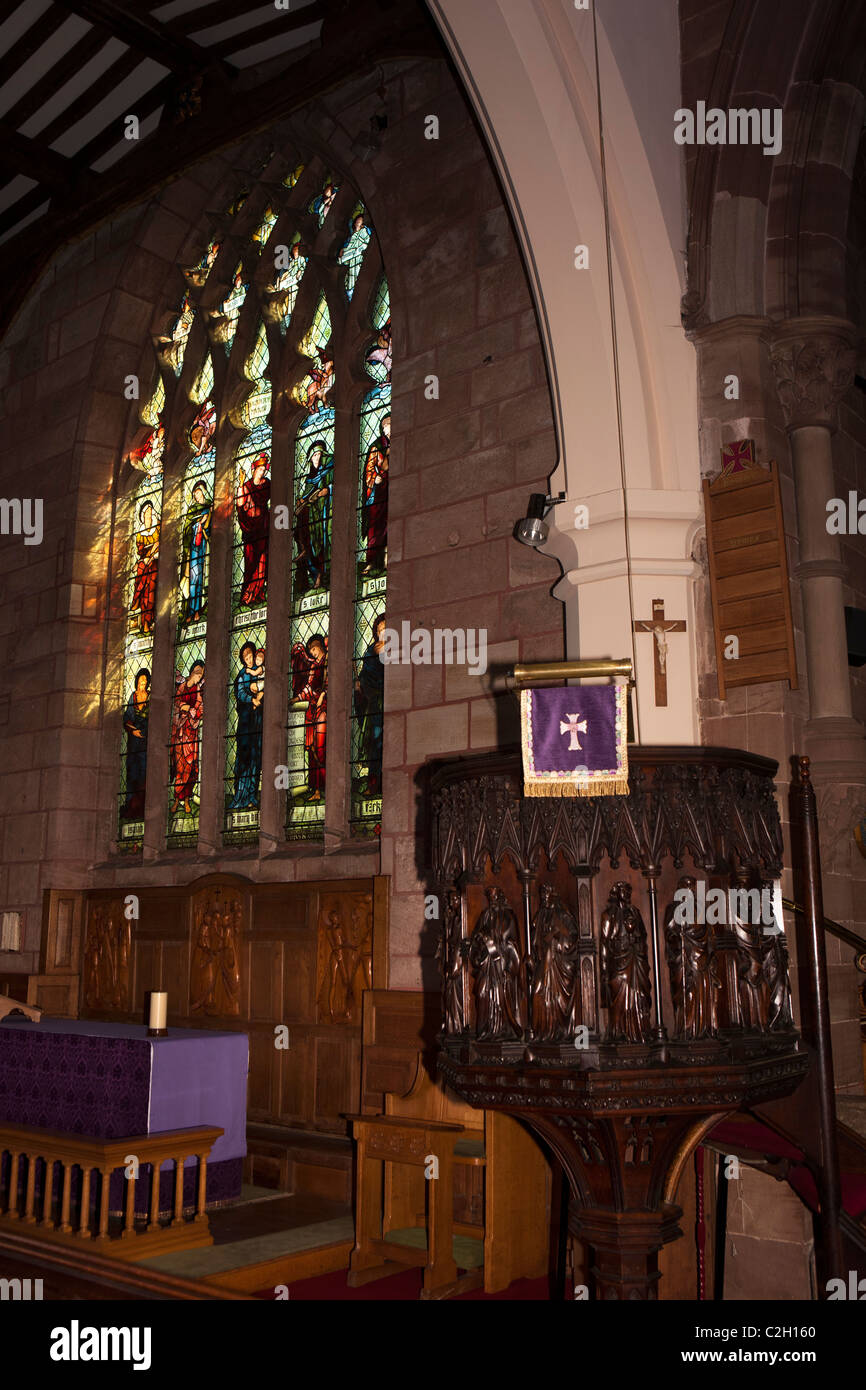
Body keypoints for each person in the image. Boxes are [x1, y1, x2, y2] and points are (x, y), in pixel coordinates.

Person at [600, 882, 652, 1043]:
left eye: (629, 891)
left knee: (639, 994)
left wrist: (636, 942)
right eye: (623, 890)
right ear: (617, 893)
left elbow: (643, 935)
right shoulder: (608, 915)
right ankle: (619, 1032)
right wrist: (603, 968)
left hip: (635, 958)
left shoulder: (635, 912)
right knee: (619, 995)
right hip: (618, 960)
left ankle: (640, 1030)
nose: (627, 893)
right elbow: (604, 942)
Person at [290, 635, 327, 801]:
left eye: (315, 648)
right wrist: (297, 699)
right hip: (312, 710)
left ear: (321, 647)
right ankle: (317, 791)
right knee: (312, 750)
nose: (313, 652)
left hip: (325, 708)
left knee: (322, 747)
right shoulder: (314, 666)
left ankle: (329, 785)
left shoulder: (328, 661)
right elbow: (308, 687)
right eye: (311, 650)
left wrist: (324, 694)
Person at [293, 439, 333, 590]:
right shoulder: (310, 478)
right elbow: (307, 494)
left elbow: (333, 487)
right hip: (310, 519)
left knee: (321, 545)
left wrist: (326, 491)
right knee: (299, 530)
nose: (316, 458)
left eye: (319, 455)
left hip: (323, 517)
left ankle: (321, 576)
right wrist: (302, 500)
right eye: (314, 455)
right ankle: (304, 548)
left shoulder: (329, 471)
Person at [228, 642, 263, 810]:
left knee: (256, 757)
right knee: (244, 757)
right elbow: (240, 693)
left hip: (258, 720)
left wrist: (260, 698)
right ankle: (240, 796)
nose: (249, 659)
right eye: (245, 657)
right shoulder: (242, 675)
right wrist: (252, 699)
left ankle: (252, 795)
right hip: (246, 721)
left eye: (250, 655)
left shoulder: (261, 671)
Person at [354, 614, 385, 796]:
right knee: (376, 744)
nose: (383, 633)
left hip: (395, 704)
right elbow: (366, 676)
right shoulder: (371, 652)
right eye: (380, 630)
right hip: (376, 706)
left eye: (386, 629)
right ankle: (374, 785)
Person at [170, 660, 204, 816]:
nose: (198, 675)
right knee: (180, 767)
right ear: (191, 671)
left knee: (191, 769)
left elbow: (200, 708)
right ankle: (177, 799)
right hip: (180, 733)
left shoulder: (198, 691)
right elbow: (176, 703)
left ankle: (187, 800)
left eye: (201, 673)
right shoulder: (182, 687)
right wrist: (187, 708)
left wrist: (195, 712)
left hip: (191, 734)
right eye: (197, 671)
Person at [236, 453, 270, 606]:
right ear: (254, 469)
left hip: (264, 526)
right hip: (250, 531)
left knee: (263, 562)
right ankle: (248, 595)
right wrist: (241, 483)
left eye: (264, 469)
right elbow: (240, 504)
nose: (261, 472)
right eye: (259, 469)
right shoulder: (247, 486)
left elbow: (279, 504)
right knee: (251, 563)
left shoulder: (268, 484)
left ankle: (259, 592)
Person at [362, 412, 389, 574]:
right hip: (378, 494)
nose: (388, 430)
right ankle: (372, 561)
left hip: (393, 493)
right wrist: (374, 479)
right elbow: (369, 471)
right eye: (385, 427)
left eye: (391, 425)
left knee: (390, 526)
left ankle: (387, 559)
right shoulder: (376, 447)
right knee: (375, 529)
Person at [121, 668, 150, 820]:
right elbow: (126, 717)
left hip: (146, 741)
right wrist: (133, 731)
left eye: (144, 682)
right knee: (132, 771)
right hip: (134, 742)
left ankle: (142, 807)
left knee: (144, 772)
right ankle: (131, 805)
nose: (142, 685)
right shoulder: (133, 697)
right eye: (140, 682)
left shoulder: (150, 698)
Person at [182, 481, 211, 623]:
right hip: (193, 549)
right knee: (193, 577)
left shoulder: (208, 507)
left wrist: (205, 522)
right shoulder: (192, 510)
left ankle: (199, 610)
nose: (197, 496)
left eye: (199, 493)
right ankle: (191, 610)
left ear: (203, 492)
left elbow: (211, 528)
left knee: (202, 577)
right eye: (195, 494)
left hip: (204, 547)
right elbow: (186, 528)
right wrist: (195, 524)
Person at [131, 501, 159, 634]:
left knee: (152, 591)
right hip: (145, 563)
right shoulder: (140, 533)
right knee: (143, 592)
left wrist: (151, 555)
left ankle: (151, 621)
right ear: (142, 515)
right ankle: (144, 623)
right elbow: (140, 550)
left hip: (155, 563)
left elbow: (160, 543)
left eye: (150, 511)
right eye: (146, 512)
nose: (149, 514)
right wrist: (145, 557)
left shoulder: (158, 527)